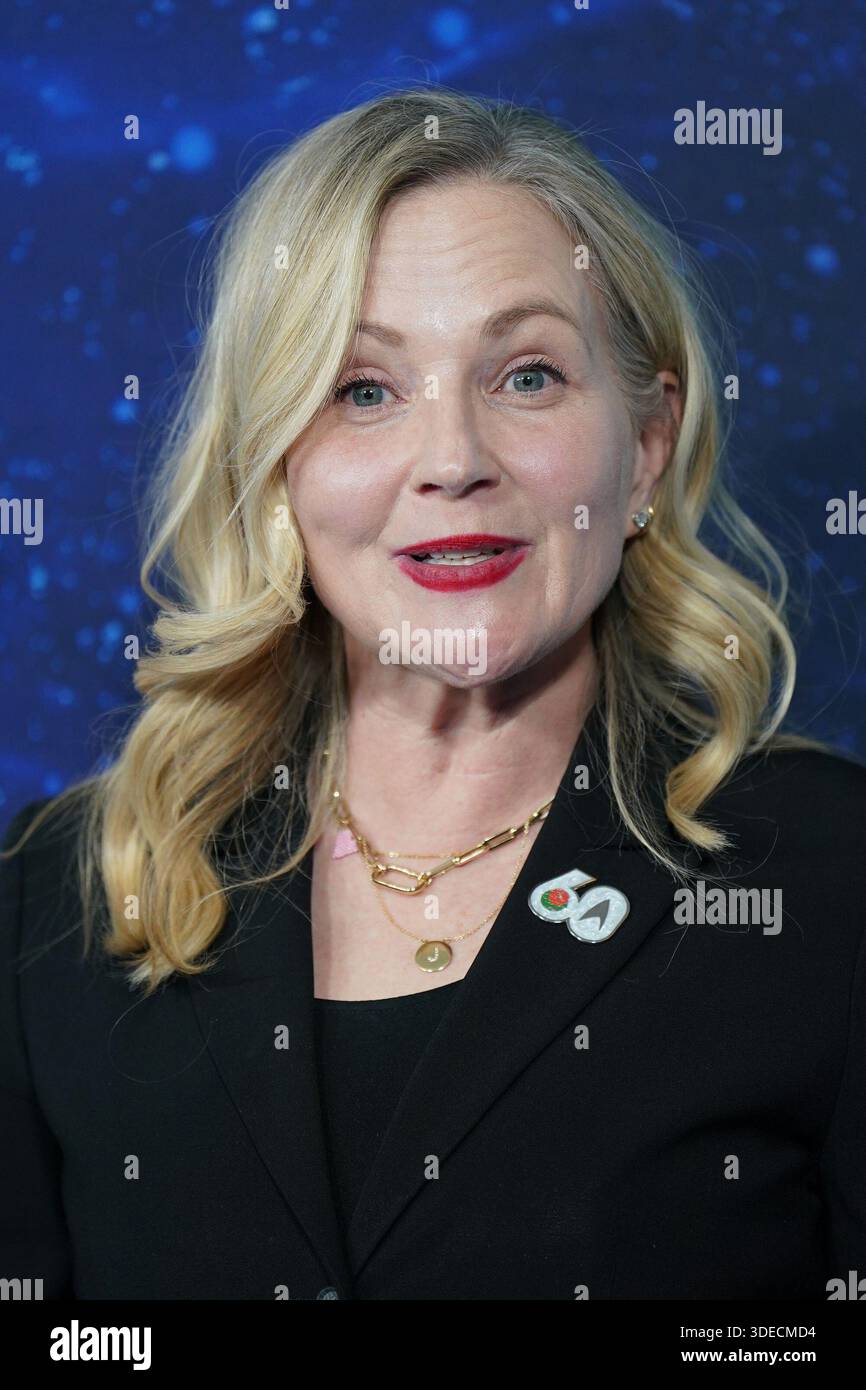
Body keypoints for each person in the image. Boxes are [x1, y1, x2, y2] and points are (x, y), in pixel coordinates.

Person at [2, 85, 864, 1302]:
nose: (452, 460)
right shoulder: (57, 898)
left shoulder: (829, 880)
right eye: (363, 389)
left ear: (646, 446)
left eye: (527, 376)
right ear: (274, 467)